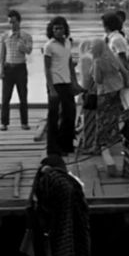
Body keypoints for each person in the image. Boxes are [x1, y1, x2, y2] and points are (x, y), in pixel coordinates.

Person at [25, 154, 91, 256]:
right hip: (76, 230)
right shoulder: (70, 182)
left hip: (59, 228)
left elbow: (40, 204)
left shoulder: (49, 180)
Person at [43, 16, 79, 156]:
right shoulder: (49, 46)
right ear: (52, 30)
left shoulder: (68, 43)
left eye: (61, 28)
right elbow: (46, 68)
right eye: (55, 28)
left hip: (67, 83)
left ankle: (66, 145)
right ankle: (52, 148)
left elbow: (70, 64)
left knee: (70, 114)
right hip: (55, 84)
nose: (58, 31)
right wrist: (51, 89)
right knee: (53, 117)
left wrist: (75, 83)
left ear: (65, 29)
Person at [91, 38, 129, 149]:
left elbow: (98, 80)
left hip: (104, 91)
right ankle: (114, 139)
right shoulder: (114, 57)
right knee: (114, 116)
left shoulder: (97, 61)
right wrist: (127, 86)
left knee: (101, 118)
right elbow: (125, 72)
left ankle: (100, 143)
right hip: (117, 89)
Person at [0, 10, 33, 131]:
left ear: (19, 21)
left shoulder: (26, 36)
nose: (12, 25)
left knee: (23, 96)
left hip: (20, 68)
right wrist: (1, 70)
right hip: (8, 68)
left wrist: (21, 44)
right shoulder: (4, 36)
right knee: (5, 97)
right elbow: (1, 55)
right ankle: (4, 123)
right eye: (10, 23)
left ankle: (24, 122)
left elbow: (29, 51)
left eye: (13, 22)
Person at [76, 40, 97, 153]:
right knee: (91, 118)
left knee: (87, 117)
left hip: (89, 91)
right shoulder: (93, 57)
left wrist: (84, 92)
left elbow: (86, 78)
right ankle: (89, 141)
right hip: (95, 91)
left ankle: (87, 144)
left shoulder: (85, 59)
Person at [114, 10, 129, 76]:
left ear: (124, 20)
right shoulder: (113, 32)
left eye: (121, 19)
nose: (119, 21)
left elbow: (128, 45)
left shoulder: (123, 31)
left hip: (125, 56)